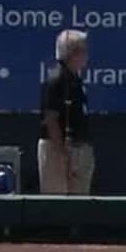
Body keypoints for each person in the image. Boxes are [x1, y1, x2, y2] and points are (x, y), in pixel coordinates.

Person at [39, 29, 94, 195]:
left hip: (79, 148)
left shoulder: (76, 80)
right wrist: (60, 151)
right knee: (57, 198)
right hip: (58, 149)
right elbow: (51, 118)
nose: (86, 55)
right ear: (73, 53)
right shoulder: (56, 79)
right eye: (83, 50)